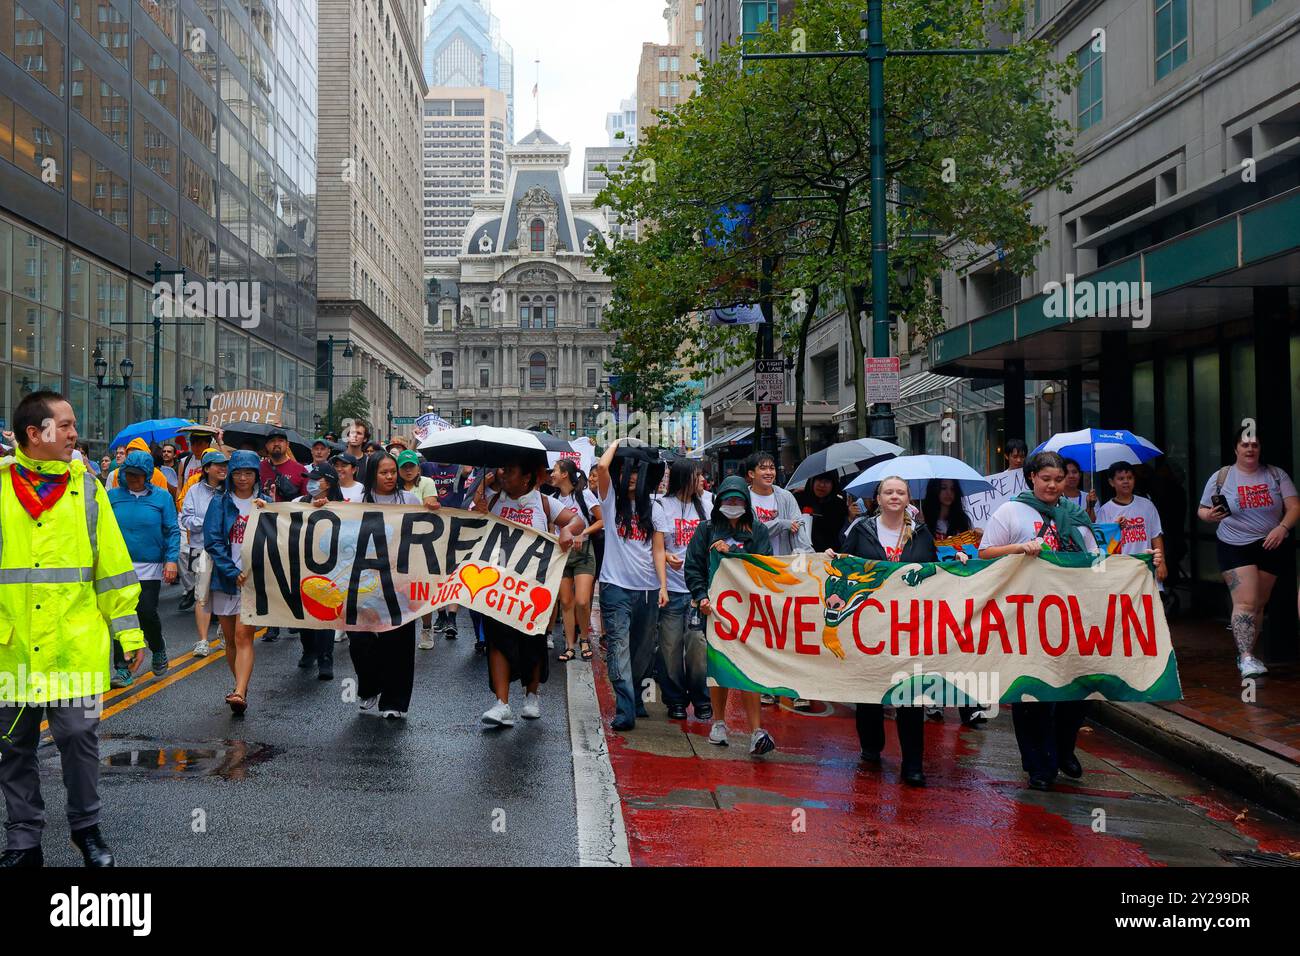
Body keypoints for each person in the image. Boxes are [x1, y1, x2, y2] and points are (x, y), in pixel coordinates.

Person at [0, 391, 144, 867]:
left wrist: (130, 633)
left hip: (74, 649)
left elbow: (113, 568)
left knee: (80, 741)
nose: (73, 434)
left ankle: (87, 830)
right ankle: (23, 843)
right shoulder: (0, 488)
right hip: (12, 651)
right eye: (63, 425)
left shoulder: (88, 489)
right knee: (13, 748)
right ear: (33, 434)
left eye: (72, 424)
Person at [979, 450, 1102, 791]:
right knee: (1032, 692)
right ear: (1031, 477)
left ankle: (1064, 749)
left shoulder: (1075, 515)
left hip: (1070, 615)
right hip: (1025, 617)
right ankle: (1038, 765)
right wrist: (1020, 549)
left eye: (1058, 479)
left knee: (1075, 690)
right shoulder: (1010, 511)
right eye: (1045, 479)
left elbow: (1094, 559)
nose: (1051, 485)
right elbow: (985, 552)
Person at [837, 476, 962, 786]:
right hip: (869, 626)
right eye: (888, 492)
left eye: (900, 492)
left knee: (911, 693)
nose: (894, 496)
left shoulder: (920, 533)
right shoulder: (861, 531)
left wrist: (956, 563)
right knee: (870, 690)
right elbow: (844, 567)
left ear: (908, 498)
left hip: (910, 628)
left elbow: (935, 572)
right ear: (878, 498)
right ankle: (871, 745)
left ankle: (913, 763)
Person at [473, 459, 578, 726]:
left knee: (532, 642)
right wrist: (480, 507)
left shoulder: (544, 503)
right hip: (498, 587)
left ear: (527, 477)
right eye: (503, 468)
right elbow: (472, 528)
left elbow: (576, 520)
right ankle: (501, 704)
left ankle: (532, 695)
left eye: (510, 469)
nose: (503, 472)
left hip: (532, 589)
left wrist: (566, 530)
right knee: (497, 641)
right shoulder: (494, 500)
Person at [684, 476, 776, 755]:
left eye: (738, 501)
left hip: (749, 611)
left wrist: (733, 551)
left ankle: (756, 731)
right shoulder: (706, 530)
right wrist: (701, 596)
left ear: (746, 504)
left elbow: (766, 565)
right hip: (715, 611)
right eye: (728, 500)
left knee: (749, 669)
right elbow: (693, 567)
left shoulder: (758, 530)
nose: (732, 505)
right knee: (719, 666)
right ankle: (719, 723)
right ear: (719, 502)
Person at [1197, 430, 1299, 678]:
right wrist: (1209, 516)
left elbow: (1294, 506)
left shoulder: (1275, 474)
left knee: (1259, 604)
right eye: (1245, 445)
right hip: (1234, 544)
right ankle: (1245, 657)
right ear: (1236, 449)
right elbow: (1202, 509)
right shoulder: (1223, 476)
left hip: (1270, 545)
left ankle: (1249, 653)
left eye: (1254, 445)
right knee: (1245, 602)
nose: (1250, 449)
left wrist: (1282, 528)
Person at [594, 440, 670, 732]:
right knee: (618, 648)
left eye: (638, 471)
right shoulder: (611, 501)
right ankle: (625, 709)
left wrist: (663, 586)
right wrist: (618, 442)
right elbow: (601, 466)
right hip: (615, 587)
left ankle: (636, 696)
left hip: (648, 590)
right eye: (627, 470)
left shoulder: (655, 508)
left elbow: (658, 550)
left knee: (642, 652)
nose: (633, 477)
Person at [346, 453, 426, 719]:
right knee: (359, 639)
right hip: (365, 580)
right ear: (372, 475)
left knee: (398, 641)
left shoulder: (411, 500)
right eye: (384, 472)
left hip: (399, 581)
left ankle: (394, 701)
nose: (391, 477)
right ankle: (370, 687)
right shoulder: (358, 501)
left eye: (393, 471)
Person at [203, 450, 270, 716]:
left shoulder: (265, 502)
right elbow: (213, 541)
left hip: (254, 579)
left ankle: (240, 690)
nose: (243, 478)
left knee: (244, 636)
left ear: (256, 475)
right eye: (238, 472)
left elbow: (281, 533)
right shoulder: (220, 503)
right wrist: (231, 571)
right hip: (224, 578)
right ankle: (240, 684)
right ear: (231, 475)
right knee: (229, 639)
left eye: (249, 473)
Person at [106, 451, 180, 688]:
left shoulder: (161, 498)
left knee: (146, 612)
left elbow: (172, 530)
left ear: (148, 475)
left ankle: (157, 647)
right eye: (128, 474)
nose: (132, 479)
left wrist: (171, 560)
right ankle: (122, 668)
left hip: (149, 566)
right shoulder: (113, 496)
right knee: (121, 617)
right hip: (118, 566)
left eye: (138, 476)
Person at [653, 459, 713, 720]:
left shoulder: (709, 504)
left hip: (699, 591)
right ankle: (675, 699)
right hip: (672, 590)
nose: (702, 480)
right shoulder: (662, 506)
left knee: (698, 646)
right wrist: (666, 555)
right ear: (682, 478)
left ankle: (701, 698)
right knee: (670, 648)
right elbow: (652, 546)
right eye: (696, 476)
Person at [550, 459, 603, 664]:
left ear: (565, 474)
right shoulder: (553, 499)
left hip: (584, 553)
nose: (551, 474)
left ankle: (585, 639)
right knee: (566, 602)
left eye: (554, 470)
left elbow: (601, 520)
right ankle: (570, 646)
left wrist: (582, 534)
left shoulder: (584, 495)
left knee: (582, 600)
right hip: (561, 555)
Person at [179, 450, 229, 658]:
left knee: (226, 593)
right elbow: (186, 518)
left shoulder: (232, 491)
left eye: (225, 465)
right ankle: (202, 640)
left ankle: (224, 632)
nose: (223, 468)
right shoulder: (194, 491)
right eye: (218, 465)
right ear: (207, 468)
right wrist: (208, 522)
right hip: (202, 549)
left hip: (227, 550)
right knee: (202, 594)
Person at [295, 462, 343, 680]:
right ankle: (309, 649)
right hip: (303, 564)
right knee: (303, 611)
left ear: (330, 483)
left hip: (330, 568)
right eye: (310, 479)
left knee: (325, 613)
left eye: (317, 479)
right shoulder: (300, 503)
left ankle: (326, 657)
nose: (311, 483)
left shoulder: (342, 506)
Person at [743, 451, 811, 556]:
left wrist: (810, 555)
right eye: (763, 468)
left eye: (772, 468)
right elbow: (750, 531)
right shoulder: (744, 499)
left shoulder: (786, 497)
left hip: (783, 562)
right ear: (751, 474)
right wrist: (781, 524)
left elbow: (798, 526)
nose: (769, 472)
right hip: (755, 562)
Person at [795, 472, 849, 553]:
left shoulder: (839, 505)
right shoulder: (799, 499)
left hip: (829, 555)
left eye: (827, 481)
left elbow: (841, 534)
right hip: (801, 553)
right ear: (812, 481)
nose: (822, 485)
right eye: (819, 480)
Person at [260, 429, 308, 503]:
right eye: (272, 441)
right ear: (266, 446)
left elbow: (306, 500)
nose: (276, 443)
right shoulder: (258, 468)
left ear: (287, 444)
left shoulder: (301, 470)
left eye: (280, 440)